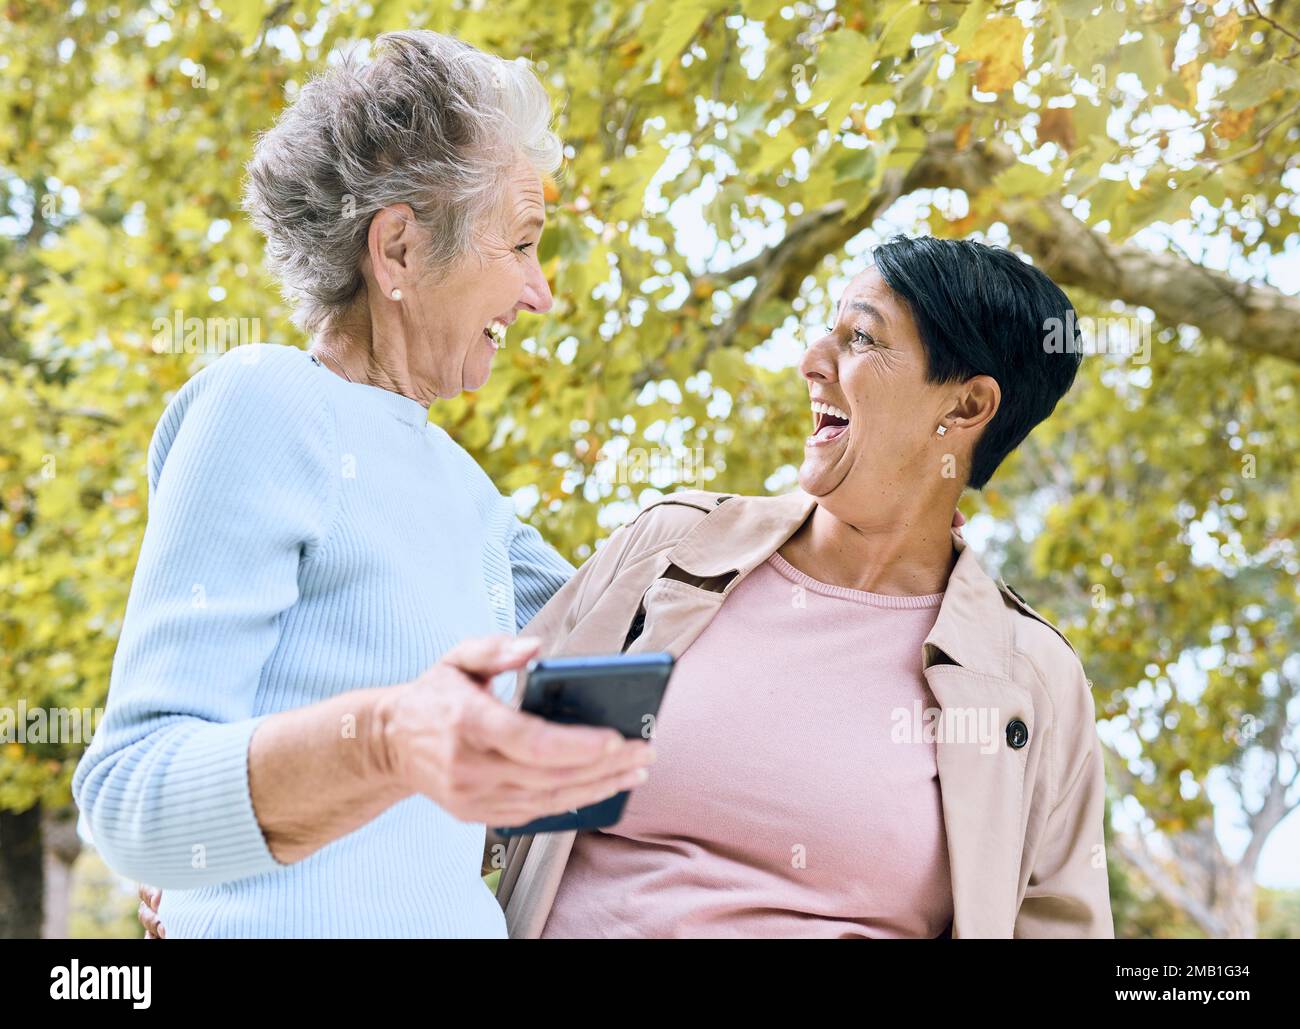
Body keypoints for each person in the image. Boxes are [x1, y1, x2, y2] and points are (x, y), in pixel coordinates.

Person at [74, 29, 653, 939]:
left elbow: (639, 633)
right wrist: (385, 742)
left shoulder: (469, 496)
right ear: (398, 253)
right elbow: (131, 796)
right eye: (524, 245)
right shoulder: (265, 400)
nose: (541, 293)